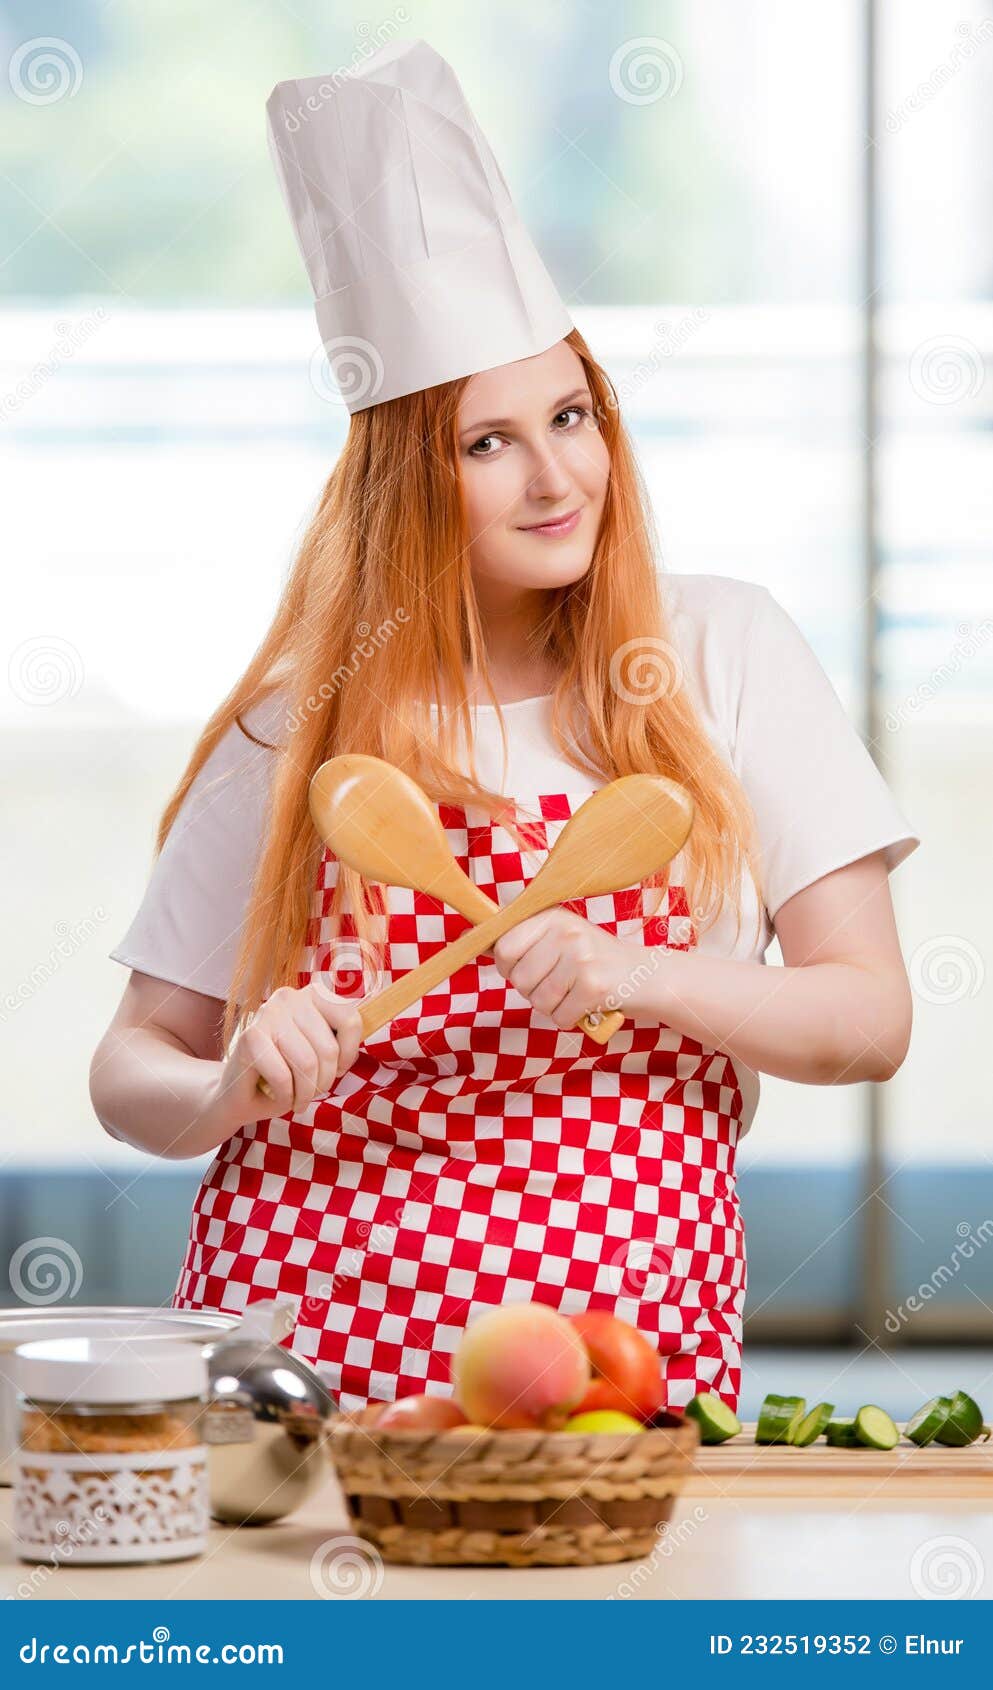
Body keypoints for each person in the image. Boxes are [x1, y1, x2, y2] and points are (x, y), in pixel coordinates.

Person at [89, 40, 919, 1414]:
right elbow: (132, 1068)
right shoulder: (300, 722)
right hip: (302, 1353)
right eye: (488, 443)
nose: (556, 477)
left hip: (611, 1363)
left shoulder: (720, 651)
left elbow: (866, 1016)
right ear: (410, 482)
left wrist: (636, 972)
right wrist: (233, 1079)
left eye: (571, 416)